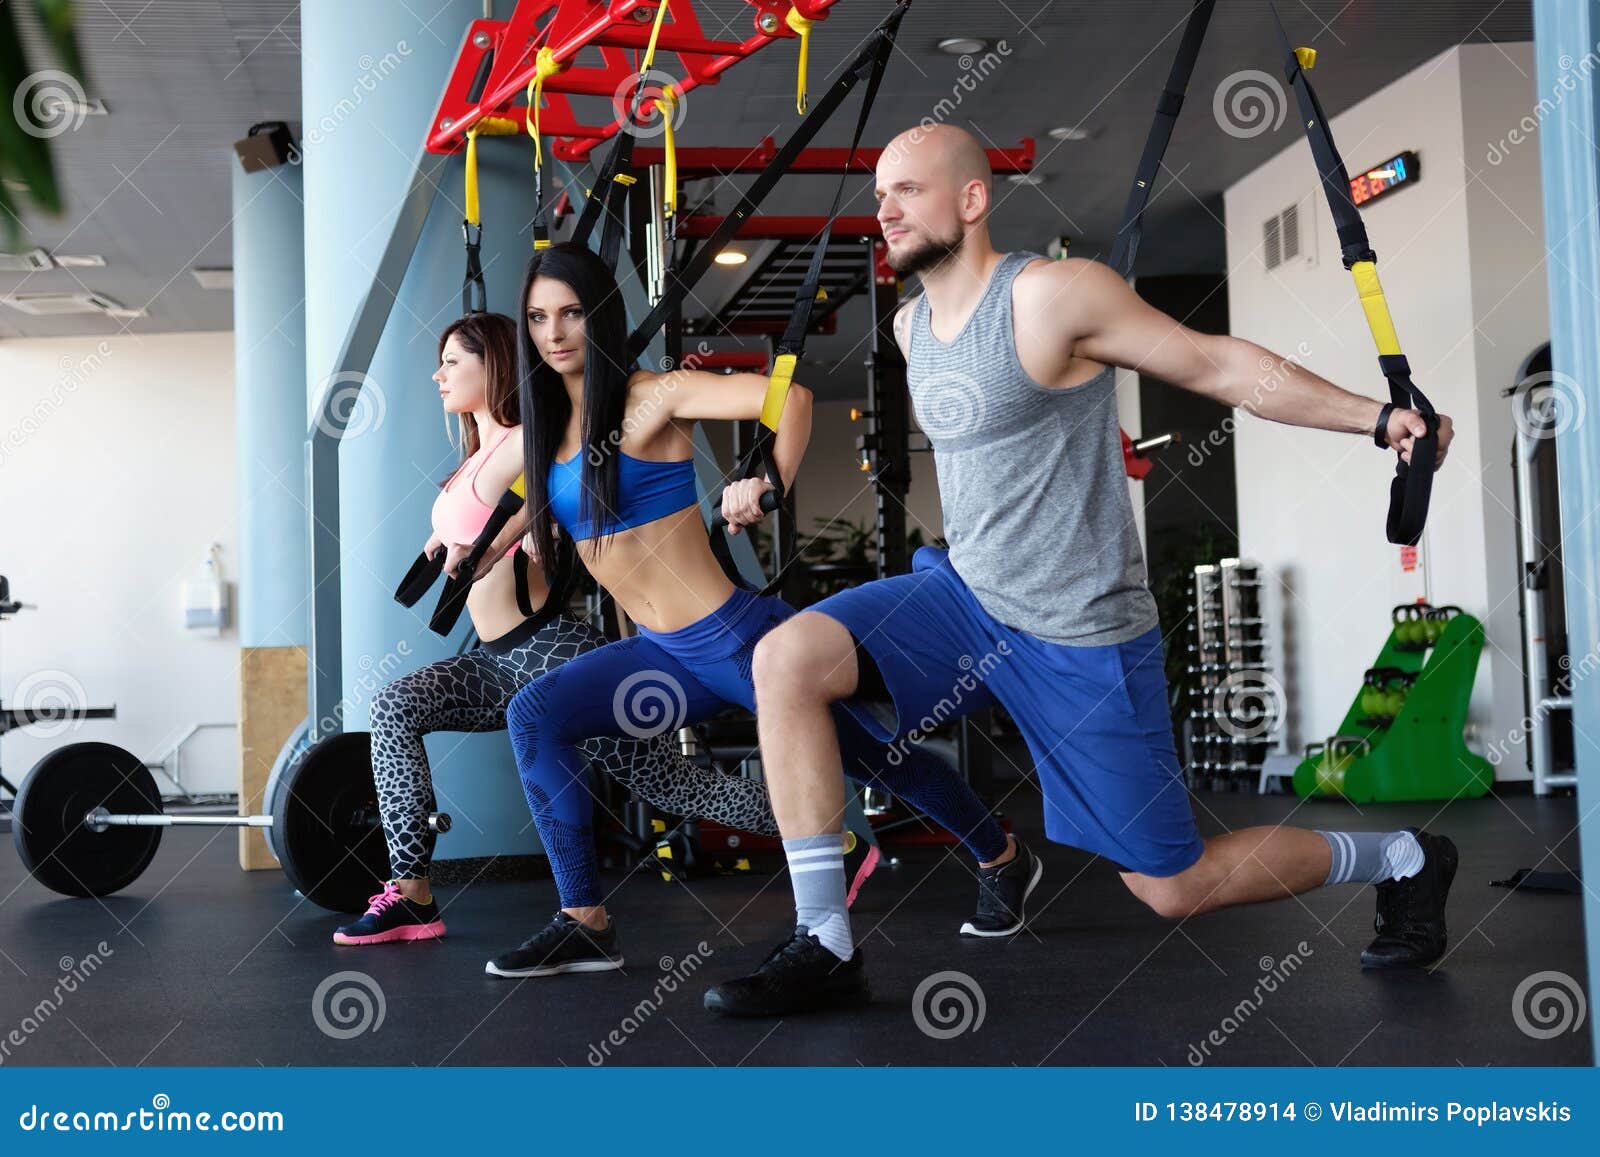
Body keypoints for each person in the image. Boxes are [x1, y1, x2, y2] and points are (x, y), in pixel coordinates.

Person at [702, 124, 1461, 1017]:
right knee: (783, 660)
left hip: (1079, 631)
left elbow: (1216, 363)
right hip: (965, 599)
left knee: (1172, 886)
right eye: (880, 193)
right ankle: (826, 943)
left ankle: (1408, 858)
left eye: (907, 189)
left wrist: (1375, 419)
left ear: (974, 199)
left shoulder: (1054, 296)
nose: (885, 208)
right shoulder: (911, 326)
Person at [477, 243, 1024, 985]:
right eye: (538, 318)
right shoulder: (548, 432)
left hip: (734, 640)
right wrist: (474, 548)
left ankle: (1001, 855)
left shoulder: (655, 397)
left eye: (571, 313)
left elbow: (788, 398)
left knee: (873, 757)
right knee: (536, 712)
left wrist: (769, 475)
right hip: (657, 654)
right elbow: (534, 503)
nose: (554, 332)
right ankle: (585, 922)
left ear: (600, 318)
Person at [331, 312, 780, 946]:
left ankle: (816, 829)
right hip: (493, 661)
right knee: (395, 705)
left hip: (550, 652)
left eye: (453, 361)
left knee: (668, 783)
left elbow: (555, 489)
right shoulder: (474, 456)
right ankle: (411, 896)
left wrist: (541, 532)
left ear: (495, 366)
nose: (439, 374)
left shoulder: (529, 441)